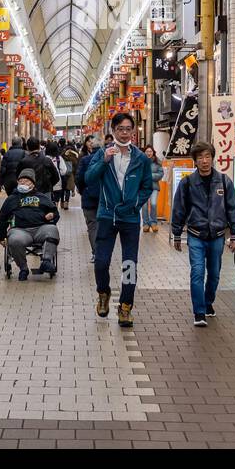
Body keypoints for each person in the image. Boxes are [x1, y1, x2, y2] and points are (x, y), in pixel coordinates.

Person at [85, 113, 154, 327]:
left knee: (129, 264)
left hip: (131, 219)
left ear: (133, 131)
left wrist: (135, 204)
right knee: (102, 262)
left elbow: (147, 186)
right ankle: (103, 293)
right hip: (107, 216)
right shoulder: (102, 153)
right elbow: (89, 178)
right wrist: (104, 162)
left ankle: (125, 307)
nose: (124, 133)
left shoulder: (141, 158)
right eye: (120, 129)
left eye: (128, 129)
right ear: (114, 130)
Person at [171, 141, 235, 327]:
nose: (204, 161)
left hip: (217, 235)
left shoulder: (224, 181)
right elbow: (179, 209)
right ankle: (199, 312)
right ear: (195, 161)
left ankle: (208, 302)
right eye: (200, 157)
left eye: (207, 156)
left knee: (215, 274)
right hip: (195, 234)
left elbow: (233, 208)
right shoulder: (187, 183)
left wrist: (234, 235)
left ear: (212, 158)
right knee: (197, 272)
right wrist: (176, 234)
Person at [0, 168, 58, 281]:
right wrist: (1, 236)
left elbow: (54, 211)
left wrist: (52, 215)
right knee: (14, 240)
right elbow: (2, 218)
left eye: (26, 181)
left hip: (41, 228)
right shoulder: (12, 199)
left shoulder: (41, 197)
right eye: (21, 181)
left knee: (53, 230)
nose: (23, 183)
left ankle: (46, 261)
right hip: (20, 230)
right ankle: (23, 268)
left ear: (33, 184)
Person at [74, 135, 101, 262]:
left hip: (88, 197)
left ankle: (96, 252)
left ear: (91, 148)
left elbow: (79, 178)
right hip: (104, 198)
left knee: (92, 226)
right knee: (104, 225)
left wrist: (82, 190)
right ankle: (104, 251)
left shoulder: (85, 160)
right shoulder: (108, 160)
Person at [140, 146, 164, 232]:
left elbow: (161, 174)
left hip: (154, 187)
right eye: (147, 151)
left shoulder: (158, 162)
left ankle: (153, 223)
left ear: (153, 152)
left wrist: (149, 176)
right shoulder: (141, 161)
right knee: (144, 206)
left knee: (153, 204)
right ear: (144, 152)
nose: (149, 153)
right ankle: (146, 224)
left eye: (150, 151)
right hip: (143, 187)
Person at [60, 140, 80, 209]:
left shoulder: (63, 155)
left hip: (63, 173)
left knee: (63, 188)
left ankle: (62, 202)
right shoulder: (75, 155)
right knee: (68, 189)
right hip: (70, 174)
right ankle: (66, 202)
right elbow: (76, 165)